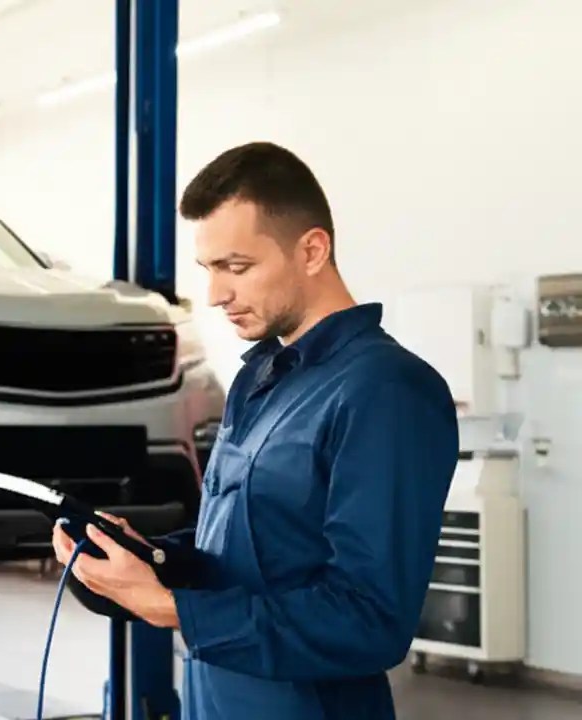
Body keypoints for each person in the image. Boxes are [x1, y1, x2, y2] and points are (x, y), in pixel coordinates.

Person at [53, 141, 459, 719]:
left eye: (236, 268)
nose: (217, 295)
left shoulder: (386, 391)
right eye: (210, 270)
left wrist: (173, 609)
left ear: (312, 250)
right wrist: (149, 561)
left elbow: (370, 620)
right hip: (215, 699)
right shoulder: (260, 377)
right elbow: (246, 553)